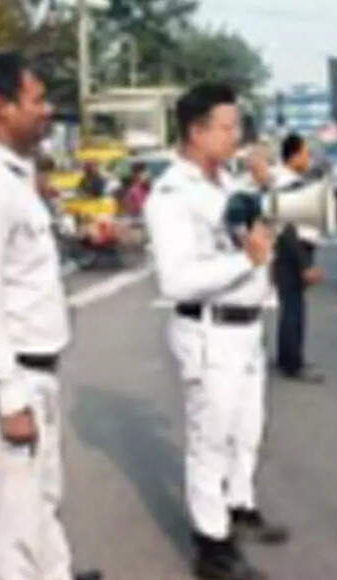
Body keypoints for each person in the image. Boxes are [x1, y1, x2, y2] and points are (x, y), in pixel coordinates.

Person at [0, 52, 100, 580]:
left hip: (37, 372)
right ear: (3, 107)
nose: (47, 110)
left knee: (41, 505)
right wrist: (8, 397)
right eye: (37, 99)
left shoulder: (16, 180)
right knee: (14, 535)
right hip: (10, 379)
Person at [145, 82, 288, 580]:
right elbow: (177, 279)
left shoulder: (226, 185)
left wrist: (264, 189)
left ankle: (238, 505)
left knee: (247, 429)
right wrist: (241, 262)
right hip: (211, 331)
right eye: (226, 127)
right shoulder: (171, 195)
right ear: (195, 131)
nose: (237, 136)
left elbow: (261, 228)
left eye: (237, 126)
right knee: (212, 438)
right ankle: (212, 545)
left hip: (246, 329)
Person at [269, 133, 324, 383]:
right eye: (305, 153)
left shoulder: (289, 179)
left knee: (291, 305)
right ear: (293, 155)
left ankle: (286, 357)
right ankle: (293, 363)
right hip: (292, 249)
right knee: (294, 308)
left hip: (292, 248)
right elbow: (288, 226)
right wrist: (304, 263)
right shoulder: (286, 181)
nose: (307, 158)